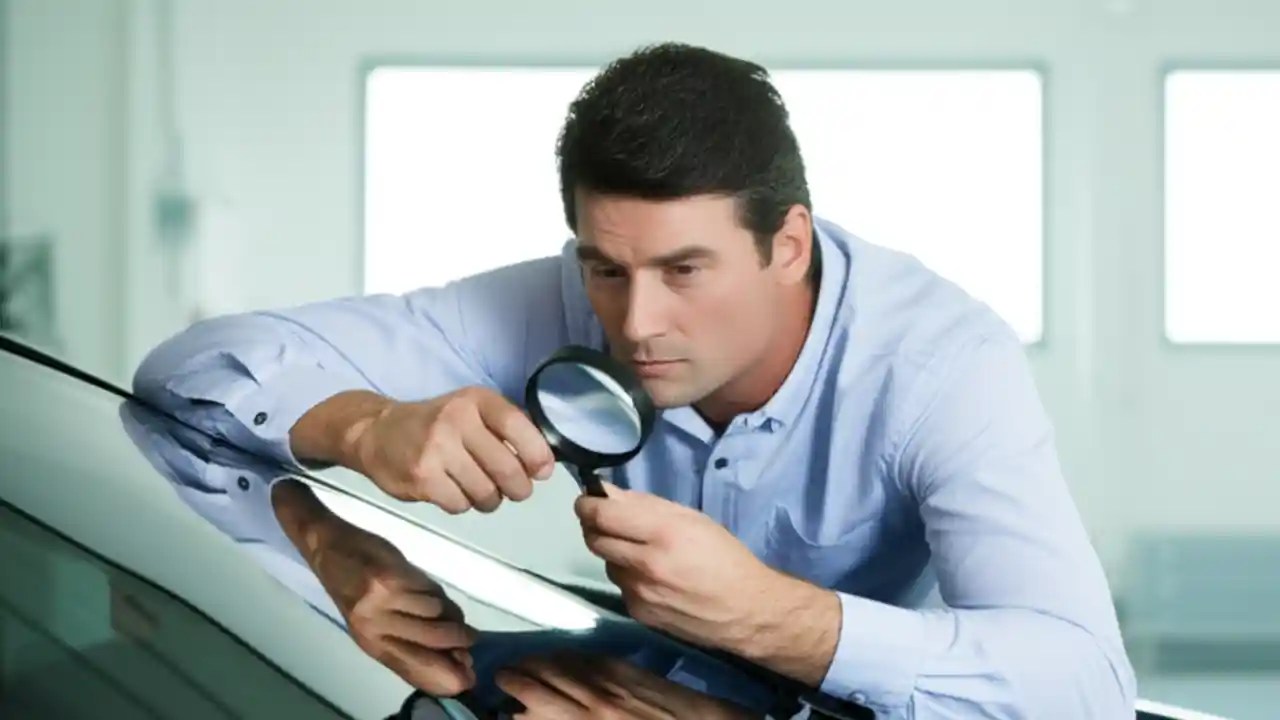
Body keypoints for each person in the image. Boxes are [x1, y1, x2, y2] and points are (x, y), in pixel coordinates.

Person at [134, 42, 1136, 718]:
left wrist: (774, 620)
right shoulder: (568, 298)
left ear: (787, 244)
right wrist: (349, 454)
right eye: (604, 267)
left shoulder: (940, 369)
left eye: (682, 271)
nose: (633, 321)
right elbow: (184, 380)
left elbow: (1083, 685)